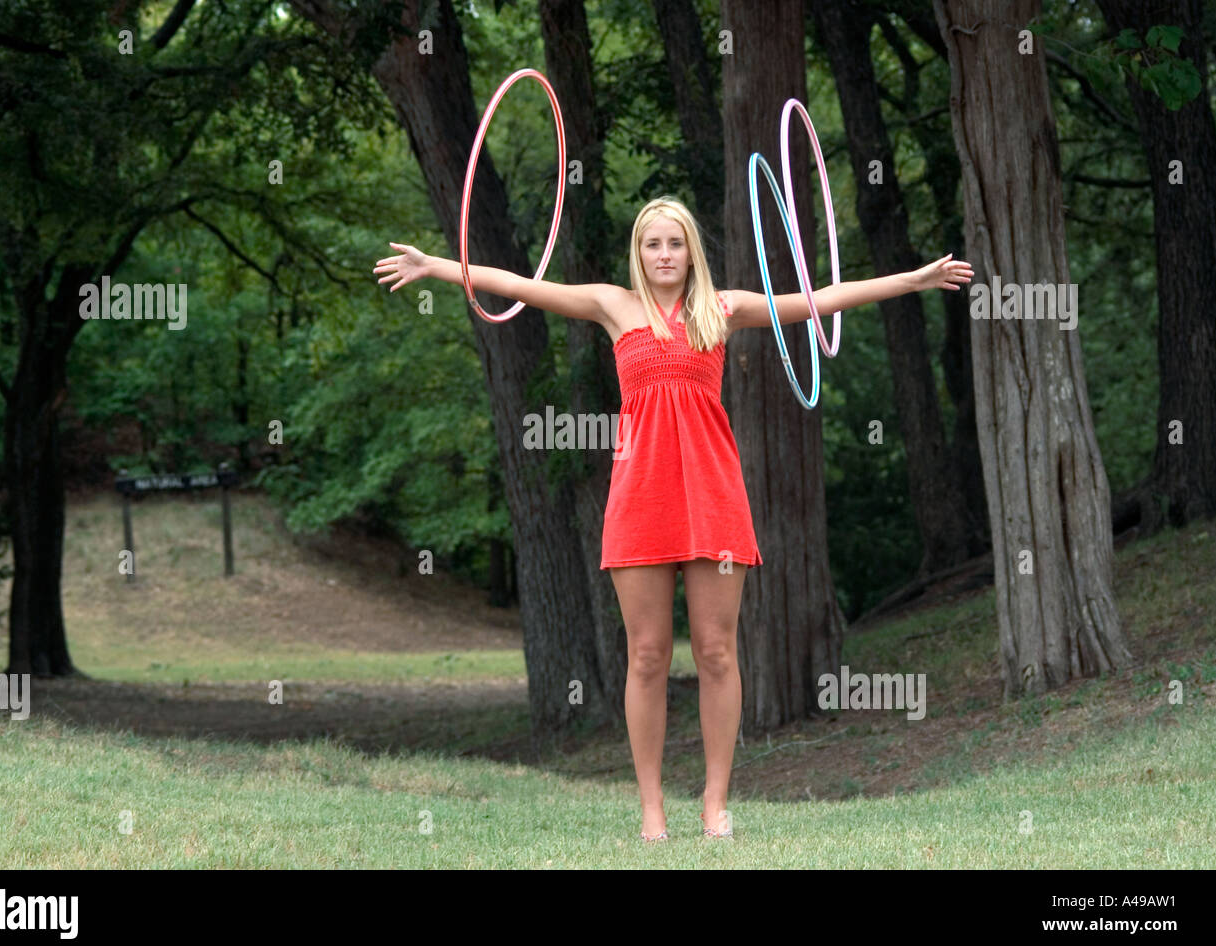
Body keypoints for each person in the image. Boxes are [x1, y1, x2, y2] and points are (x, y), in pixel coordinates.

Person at [373, 195, 972, 843]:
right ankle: (652, 809)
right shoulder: (614, 305)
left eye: (676, 243)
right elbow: (522, 285)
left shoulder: (723, 309)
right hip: (640, 497)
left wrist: (912, 279)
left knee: (717, 652)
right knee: (648, 655)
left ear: (692, 251)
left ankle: (715, 805)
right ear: (639, 251)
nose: (665, 255)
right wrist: (435, 264)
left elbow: (820, 299)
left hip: (712, 492)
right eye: (654, 243)